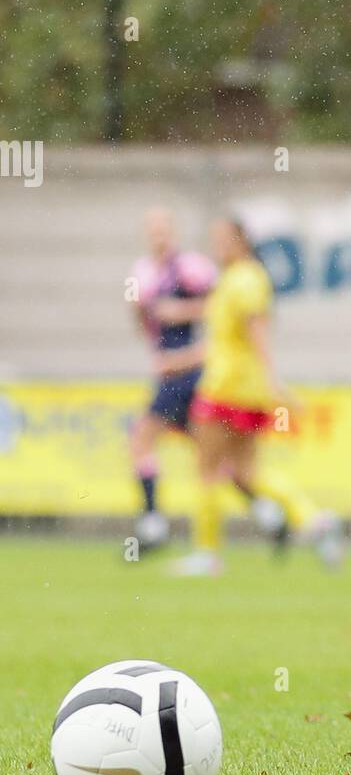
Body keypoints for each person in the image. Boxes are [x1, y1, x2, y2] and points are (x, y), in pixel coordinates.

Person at [168, 217, 343, 576]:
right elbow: (223, 339)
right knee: (246, 473)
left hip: (226, 387)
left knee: (206, 468)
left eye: (224, 239)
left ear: (241, 241)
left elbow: (256, 333)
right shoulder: (236, 279)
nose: (218, 246)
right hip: (245, 388)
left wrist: (274, 380)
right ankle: (314, 519)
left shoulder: (245, 279)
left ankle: (207, 553)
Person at [128, 208, 215, 551]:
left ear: (173, 231)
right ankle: (268, 511)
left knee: (142, 438)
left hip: (186, 372)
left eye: (163, 229)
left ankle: (153, 523)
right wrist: (140, 313)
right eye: (153, 230)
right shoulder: (143, 272)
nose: (158, 236)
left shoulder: (191, 267)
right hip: (169, 369)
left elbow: (218, 306)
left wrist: (183, 311)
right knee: (210, 455)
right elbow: (143, 324)